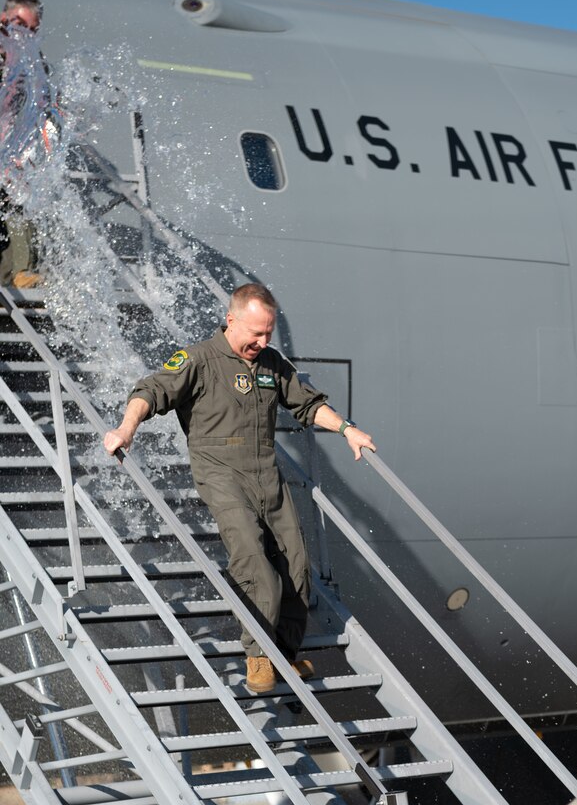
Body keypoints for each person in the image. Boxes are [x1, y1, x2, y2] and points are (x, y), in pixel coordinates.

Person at [103, 283, 376, 693]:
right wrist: (126, 430)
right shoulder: (197, 359)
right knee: (254, 561)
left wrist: (346, 429)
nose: (262, 341)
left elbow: (306, 403)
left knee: (296, 566)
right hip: (221, 471)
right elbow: (151, 390)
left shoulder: (271, 363)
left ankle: (283, 656)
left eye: (268, 333)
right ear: (231, 320)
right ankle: (258, 657)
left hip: (266, 470)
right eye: (255, 333)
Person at [0, 0, 45, 290]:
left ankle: (19, 271)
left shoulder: (30, 58)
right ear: (4, 18)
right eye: (18, 23)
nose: (23, 32)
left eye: (31, 28)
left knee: (22, 195)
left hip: (8, 149)